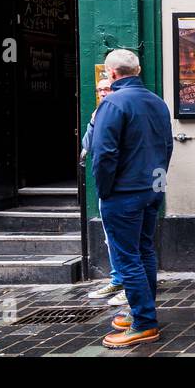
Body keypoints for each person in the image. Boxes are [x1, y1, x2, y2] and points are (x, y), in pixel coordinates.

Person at [89, 49, 174, 350]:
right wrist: (157, 183)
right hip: (152, 189)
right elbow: (166, 146)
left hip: (123, 193)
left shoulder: (112, 102)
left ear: (112, 74)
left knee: (128, 258)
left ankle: (144, 323)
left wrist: (105, 189)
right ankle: (142, 311)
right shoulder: (158, 102)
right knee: (145, 251)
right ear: (137, 70)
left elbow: (104, 154)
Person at [81, 79, 126, 306]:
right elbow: (87, 145)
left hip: (121, 186)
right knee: (110, 238)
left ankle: (129, 285)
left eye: (106, 88)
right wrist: (92, 122)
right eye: (99, 90)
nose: (102, 93)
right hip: (106, 187)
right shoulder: (98, 114)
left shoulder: (121, 111)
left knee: (126, 238)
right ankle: (117, 279)